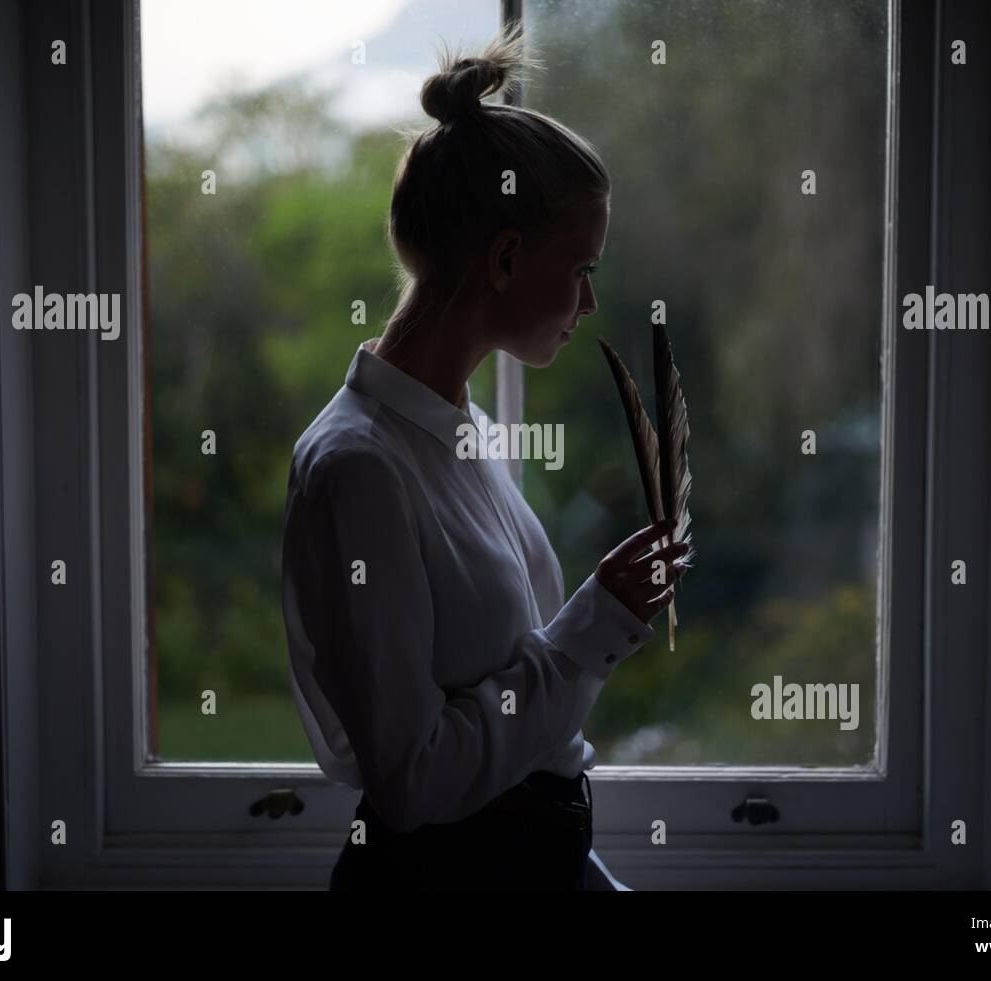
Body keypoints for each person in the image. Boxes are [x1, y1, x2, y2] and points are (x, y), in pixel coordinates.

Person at [280, 26, 691, 891]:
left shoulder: (451, 431)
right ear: (506, 257)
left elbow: (515, 711)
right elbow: (414, 779)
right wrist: (593, 627)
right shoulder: (360, 468)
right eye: (580, 267)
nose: (587, 301)